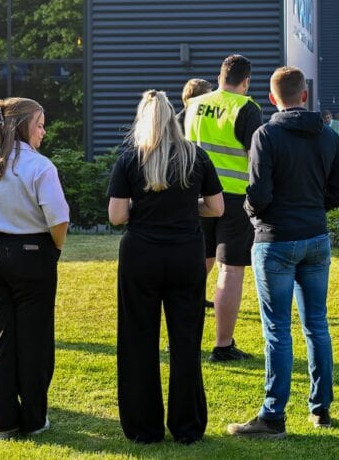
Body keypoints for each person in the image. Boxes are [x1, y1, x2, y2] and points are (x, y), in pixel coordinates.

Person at [227, 67, 339, 439]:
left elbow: (259, 193)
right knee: (317, 325)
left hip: (275, 239)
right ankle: (321, 408)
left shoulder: (267, 134)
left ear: (272, 98)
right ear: (305, 95)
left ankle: (273, 416)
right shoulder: (328, 136)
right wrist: (312, 207)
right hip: (314, 237)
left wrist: (251, 212)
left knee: (278, 330)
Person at [108, 90, 224, 444]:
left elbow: (116, 216)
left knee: (138, 340)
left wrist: (141, 212)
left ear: (142, 120)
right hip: (186, 255)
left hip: (141, 255)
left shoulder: (130, 159)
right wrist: (190, 209)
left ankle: (144, 427)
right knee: (186, 341)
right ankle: (187, 427)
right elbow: (217, 208)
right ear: (174, 118)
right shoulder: (196, 157)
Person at [0, 97, 69, 440]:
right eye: (39, 124)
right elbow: (59, 219)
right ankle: (33, 419)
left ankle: (1, 422)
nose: (43, 131)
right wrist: (53, 250)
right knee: (34, 339)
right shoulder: (39, 166)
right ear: (22, 126)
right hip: (32, 252)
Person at [183, 54, 262, 361]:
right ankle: (223, 345)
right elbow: (258, 157)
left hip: (197, 198)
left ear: (219, 76)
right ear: (246, 81)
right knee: (230, 270)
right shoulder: (246, 108)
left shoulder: (194, 106)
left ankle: (181, 339)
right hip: (233, 198)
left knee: (195, 268)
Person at [178, 77, 216, 309]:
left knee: (207, 251)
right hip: (194, 193)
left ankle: (196, 292)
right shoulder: (180, 123)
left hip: (202, 191)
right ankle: (191, 293)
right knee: (201, 249)